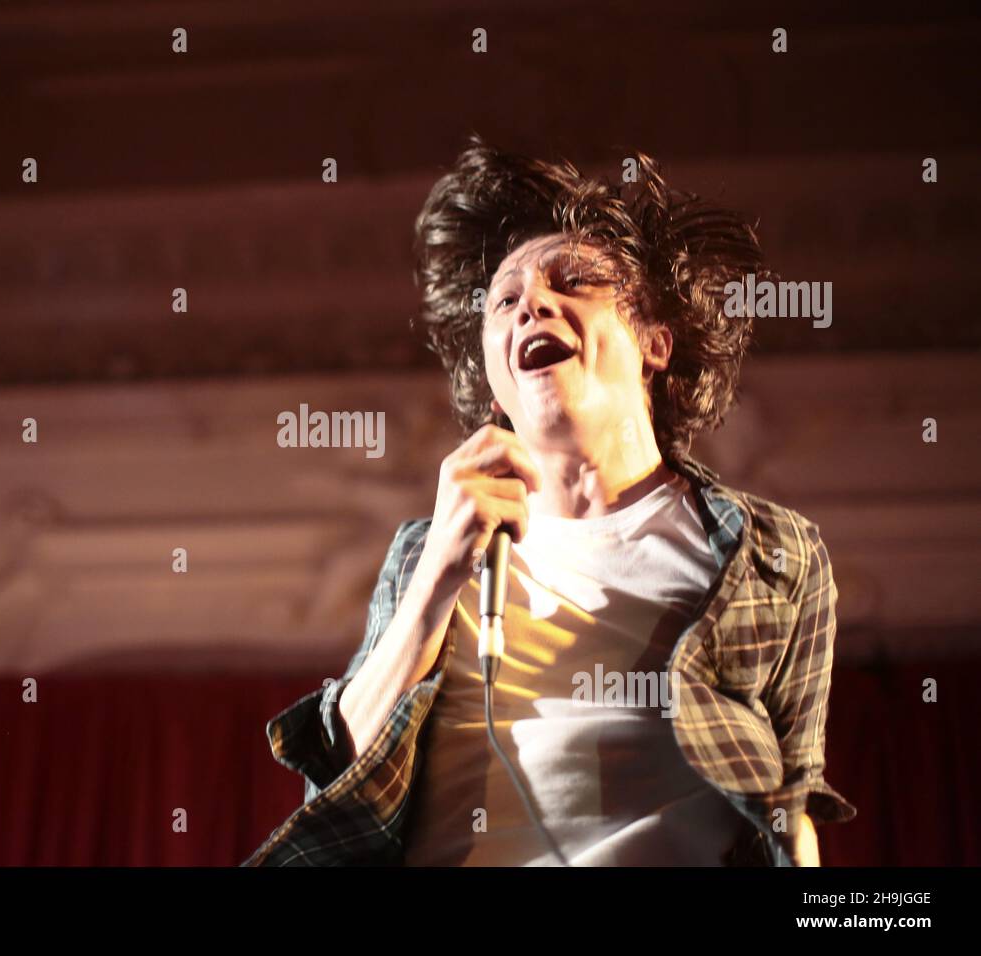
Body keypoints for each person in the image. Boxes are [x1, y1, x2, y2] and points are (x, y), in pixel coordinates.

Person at [243, 135, 855, 867]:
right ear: (494, 383)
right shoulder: (423, 551)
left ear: (655, 342)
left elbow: (790, 807)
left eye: (570, 281)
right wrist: (439, 573)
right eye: (505, 299)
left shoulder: (773, 552)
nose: (532, 301)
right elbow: (336, 782)